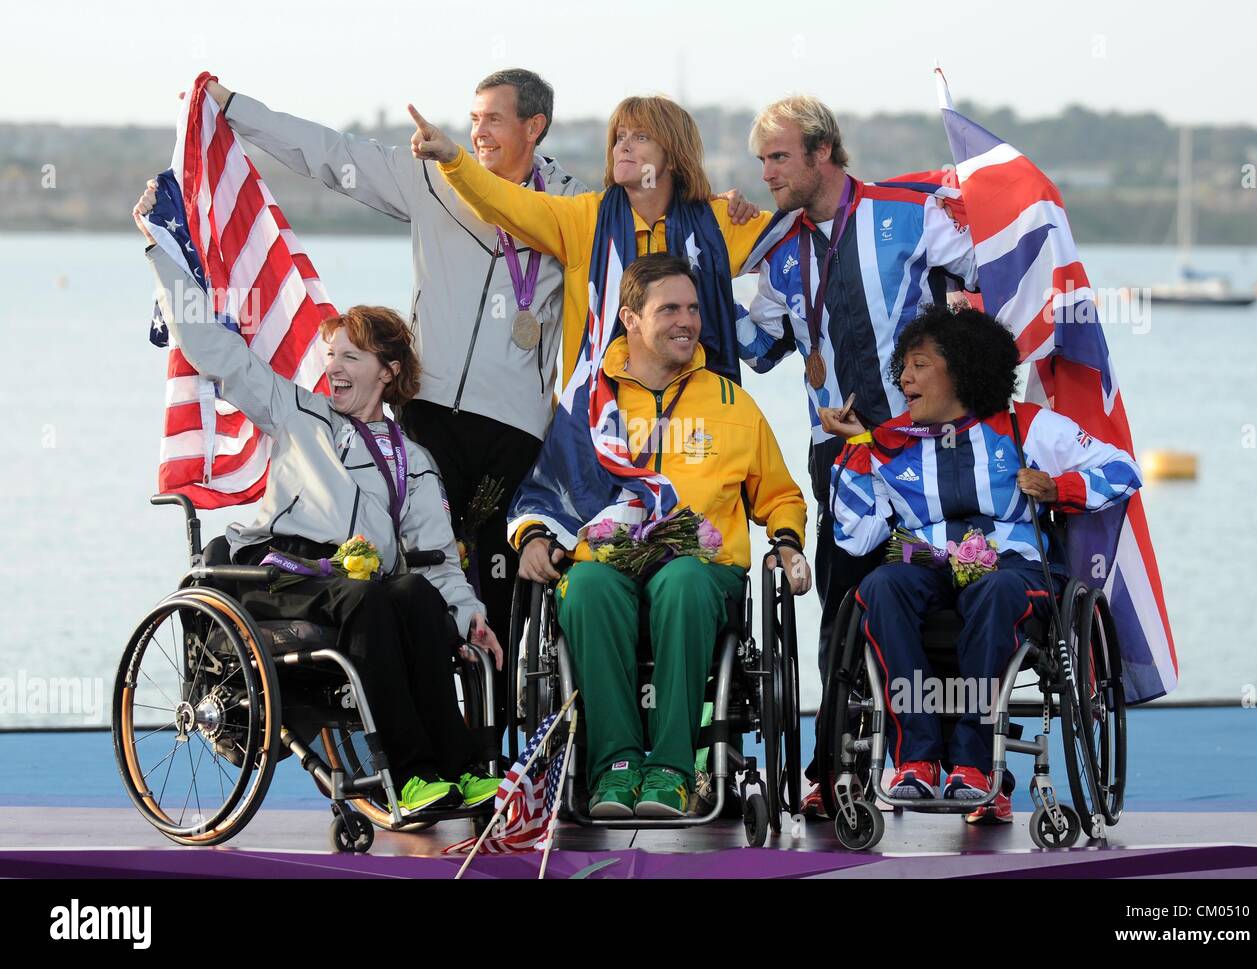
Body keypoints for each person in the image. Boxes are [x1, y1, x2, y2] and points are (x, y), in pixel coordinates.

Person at [200, 70, 584, 722]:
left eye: (493, 119)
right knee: (415, 574)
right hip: (427, 415)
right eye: (474, 118)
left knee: (494, 585)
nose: (478, 131)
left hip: (512, 429)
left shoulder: (575, 201)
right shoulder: (430, 176)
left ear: (534, 127)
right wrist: (237, 110)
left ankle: (492, 746)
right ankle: (421, 732)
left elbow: (656, 218)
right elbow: (330, 154)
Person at [133, 180, 505, 817]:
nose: (331, 367)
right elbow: (217, 351)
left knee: (414, 593)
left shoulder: (412, 460)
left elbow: (438, 559)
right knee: (367, 597)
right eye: (330, 354)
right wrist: (161, 251)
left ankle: (464, 769)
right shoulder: (297, 413)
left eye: (350, 357)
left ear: (388, 372)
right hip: (277, 572)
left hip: (357, 585)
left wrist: (470, 610)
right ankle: (411, 777)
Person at [737, 95, 980, 815]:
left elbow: (981, 281)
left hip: (926, 448)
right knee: (842, 613)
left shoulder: (908, 212)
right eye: (762, 161)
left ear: (822, 153)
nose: (768, 174)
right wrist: (717, 268)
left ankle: (969, 759)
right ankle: (832, 768)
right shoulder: (781, 249)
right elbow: (756, 348)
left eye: (779, 158)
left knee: (951, 594)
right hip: (838, 455)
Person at [513, 254, 811, 819]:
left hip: (703, 572)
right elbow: (547, 490)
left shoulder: (731, 403)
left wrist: (789, 543)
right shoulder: (591, 401)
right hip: (612, 562)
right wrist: (532, 536)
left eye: (694, 308)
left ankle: (674, 768)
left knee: (681, 580)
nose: (687, 321)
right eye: (669, 308)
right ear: (630, 318)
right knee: (589, 586)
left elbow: (780, 496)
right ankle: (615, 768)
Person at [825, 303, 1141, 823]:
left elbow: (1123, 468)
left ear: (963, 370)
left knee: (994, 593)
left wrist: (1059, 487)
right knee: (880, 586)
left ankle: (973, 764)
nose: (904, 377)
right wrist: (855, 453)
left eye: (920, 364)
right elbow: (857, 538)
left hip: (1014, 569)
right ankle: (917, 759)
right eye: (902, 365)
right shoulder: (888, 444)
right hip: (923, 561)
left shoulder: (1025, 427)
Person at [406, 94, 767, 386]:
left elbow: (801, 233)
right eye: (619, 137)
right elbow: (503, 202)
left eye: (640, 137)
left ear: (673, 155)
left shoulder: (718, 221)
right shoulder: (584, 218)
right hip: (598, 427)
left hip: (696, 426)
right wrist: (453, 158)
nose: (623, 146)